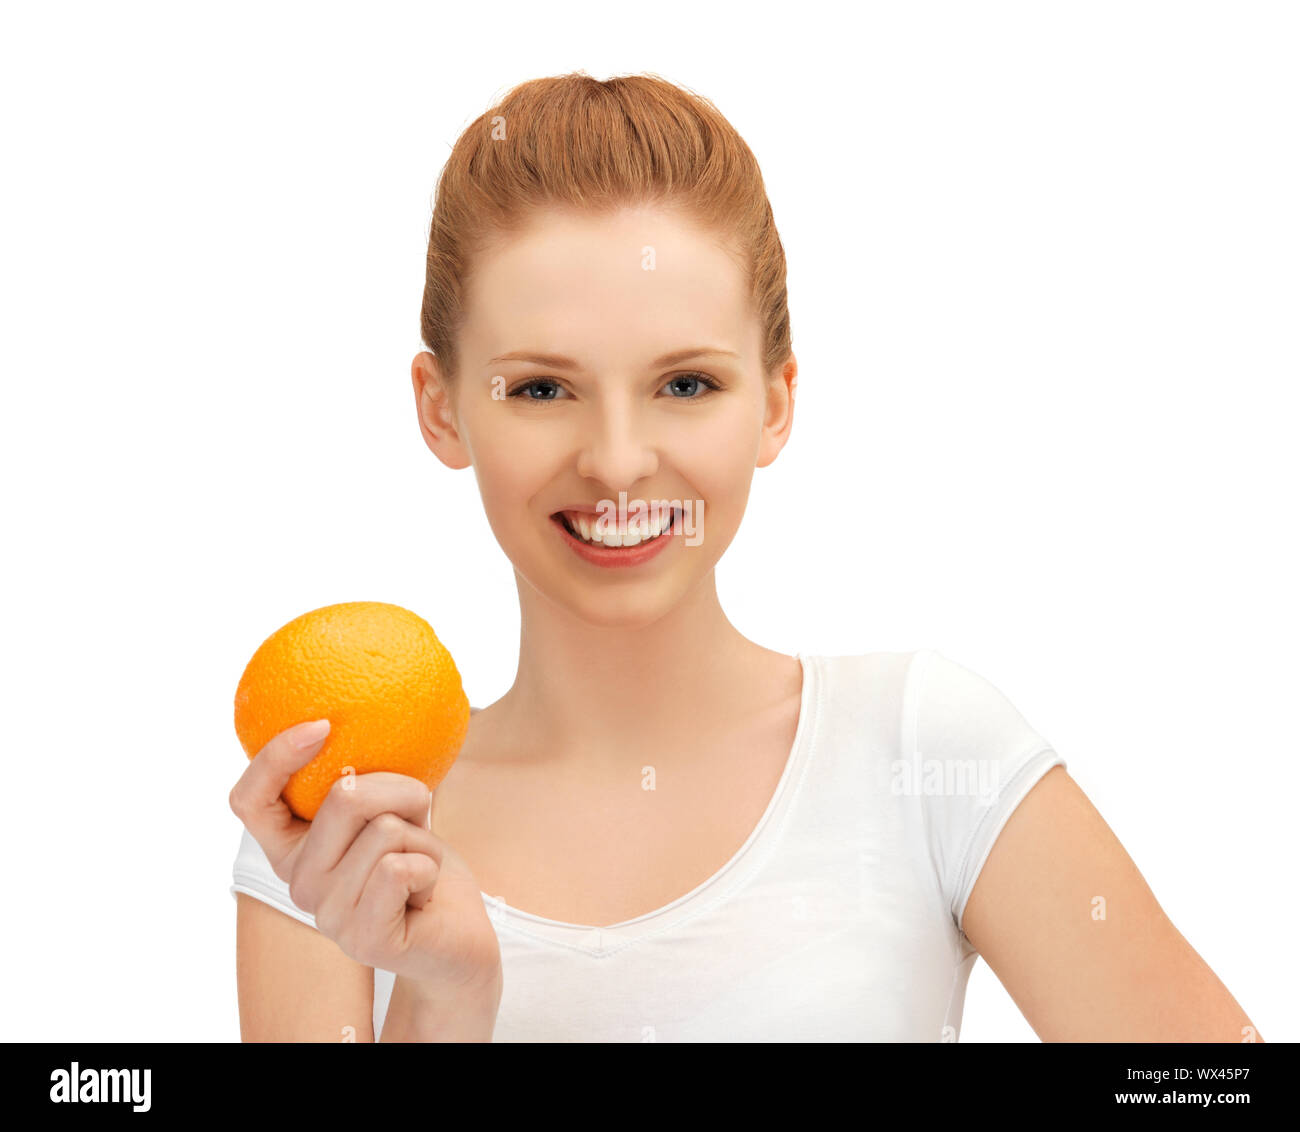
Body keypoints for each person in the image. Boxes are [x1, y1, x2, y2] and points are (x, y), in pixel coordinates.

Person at [228, 71, 1260, 1042]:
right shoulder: (343, 830)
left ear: (775, 402)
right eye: (542, 389)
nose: (619, 461)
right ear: (440, 408)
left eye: (685, 385)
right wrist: (449, 1002)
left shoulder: (921, 750)